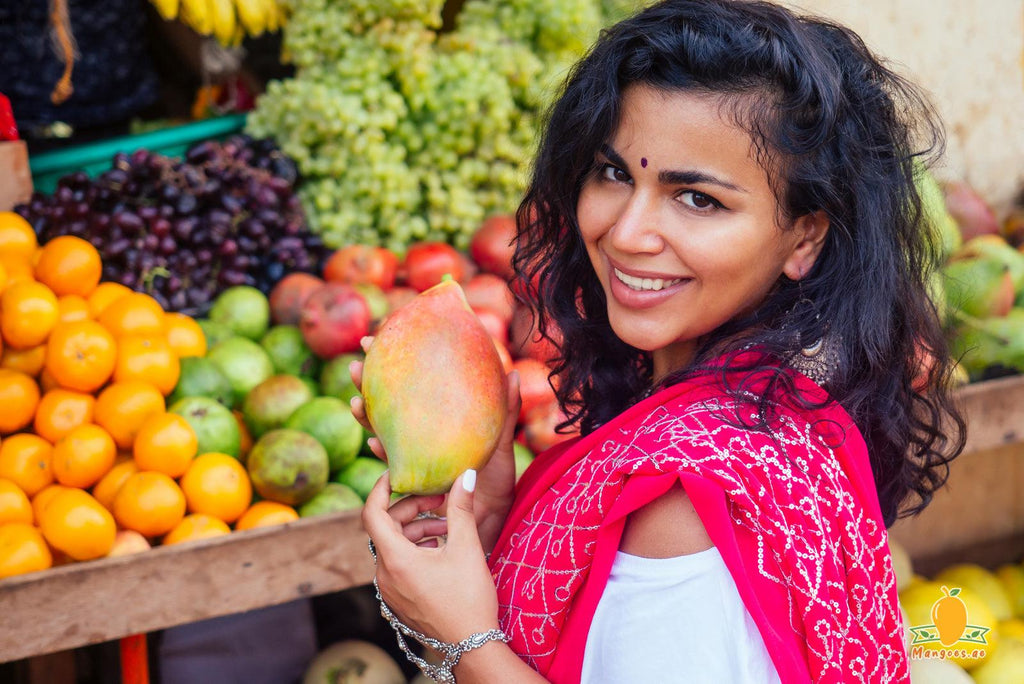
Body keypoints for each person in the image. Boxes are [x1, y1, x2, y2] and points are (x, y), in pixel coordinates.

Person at [353, 1, 967, 682]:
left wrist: (463, 640)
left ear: (804, 237)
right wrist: (494, 516)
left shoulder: (682, 508)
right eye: (615, 173)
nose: (626, 233)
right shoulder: (764, 411)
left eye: (697, 199)